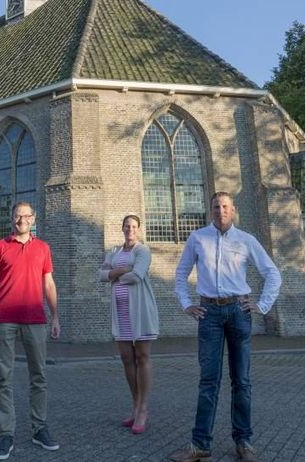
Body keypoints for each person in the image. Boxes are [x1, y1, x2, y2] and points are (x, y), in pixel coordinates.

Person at [169, 192, 282, 462]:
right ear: (210, 210)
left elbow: (272, 273)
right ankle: (200, 445)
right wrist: (186, 304)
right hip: (208, 313)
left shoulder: (246, 240)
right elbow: (181, 274)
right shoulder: (197, 238)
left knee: (241, 380)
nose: (220, 211)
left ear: (233, 209)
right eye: (216, 207)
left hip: (238, 312)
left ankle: (243, 442)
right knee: (208, 380)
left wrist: (262, 305)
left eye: (225, 206)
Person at [0, 201, 61, 461]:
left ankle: (39, 428)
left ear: (33, 218)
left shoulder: (43, 248)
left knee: (39, 375)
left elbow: (49, 283)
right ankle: (6, 433)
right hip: (4, 319)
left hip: (35, 319)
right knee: (4, 378)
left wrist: (55, 316)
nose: (22, 220)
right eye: (18, 216)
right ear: (12, 218)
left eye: (26, 216)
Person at [98, 213, 159, 435]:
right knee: (126, 358)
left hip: (140, 310)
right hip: (121, 313)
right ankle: (135, 404)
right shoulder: (114, 251)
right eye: (127, 226)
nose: (130, 230)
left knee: (142, 357)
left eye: (133, 226)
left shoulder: (142, 251)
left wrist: (113, 275)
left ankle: (143, 409)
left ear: (138, 229)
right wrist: (119, 271)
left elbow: (137, 275)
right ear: (122, 228)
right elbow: (100, 274)